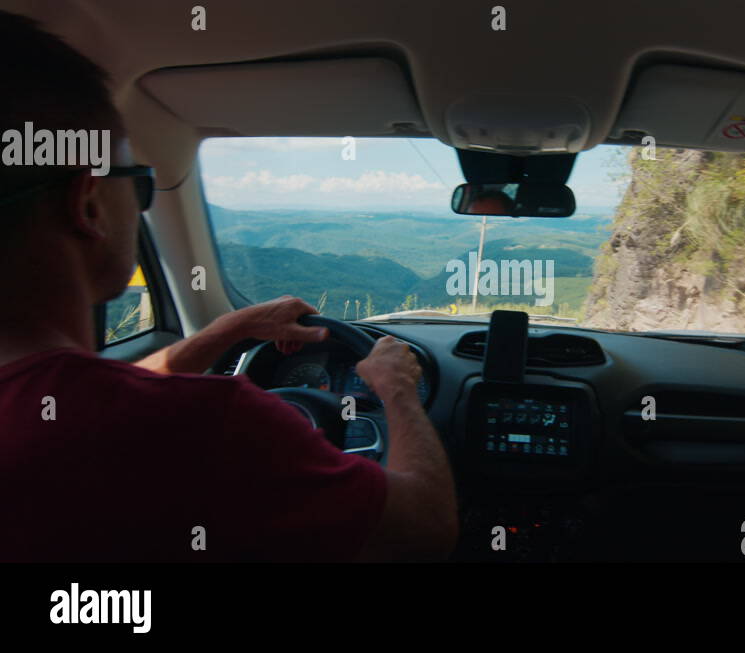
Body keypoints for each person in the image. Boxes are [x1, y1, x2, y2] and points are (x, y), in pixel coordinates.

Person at [0, 10, 457, 562]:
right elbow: (422, 531)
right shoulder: (213, 425)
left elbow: (90, 401)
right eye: (142, 185)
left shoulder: (71, 415)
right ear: (89, 202)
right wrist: (398, 390)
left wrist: (229, 328)